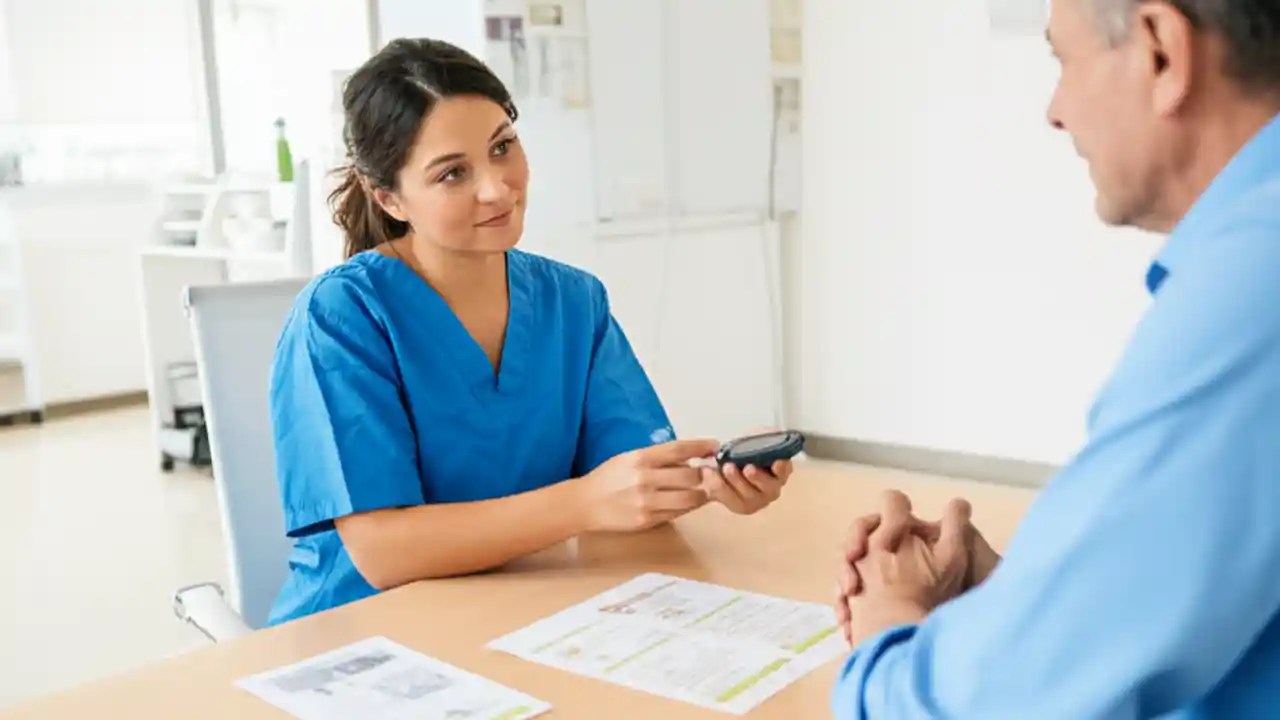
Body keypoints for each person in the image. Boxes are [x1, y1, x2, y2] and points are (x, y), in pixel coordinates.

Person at [832, 0, 1280, 716]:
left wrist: (889, 622)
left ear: (1162, 51)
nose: (1055, 110)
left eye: (1062, 61)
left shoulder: (1257, 281)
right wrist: (1025, 596)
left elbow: (983, 708)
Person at [267, 38, 793, 625]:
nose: (496, 187)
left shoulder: (574, 302)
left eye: (502, 147)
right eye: (452, 173)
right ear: (389, 197)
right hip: (363, 632)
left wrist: (708, 482)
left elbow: (628, 482)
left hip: (520, 612)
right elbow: (384, 552)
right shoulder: (342, 316)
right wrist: (586, 502)